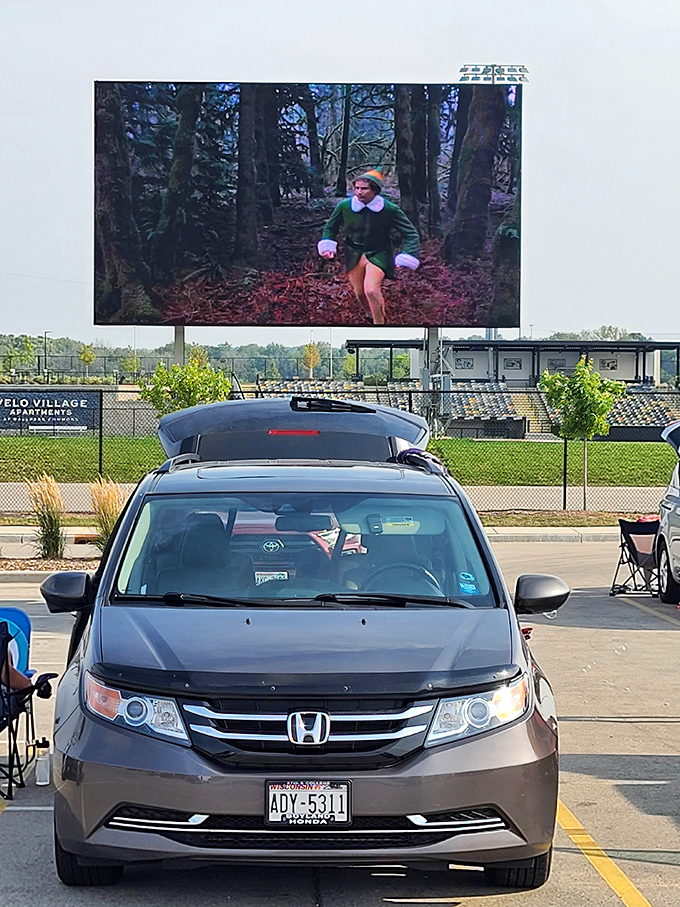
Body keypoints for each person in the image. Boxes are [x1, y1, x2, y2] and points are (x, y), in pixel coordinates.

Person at [317, 170, 420, 324]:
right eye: (357, 188)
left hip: (379, 253)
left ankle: (380, 324)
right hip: (354, 253)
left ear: (374, 190)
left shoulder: (389, 209)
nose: (359, 192)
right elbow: (330, 227)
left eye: (364, 188)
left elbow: (411, 233)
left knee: (371, 290)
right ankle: (369, 314)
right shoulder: (345, 206)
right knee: (359, 292)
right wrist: (327, 245)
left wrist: (408, 254)